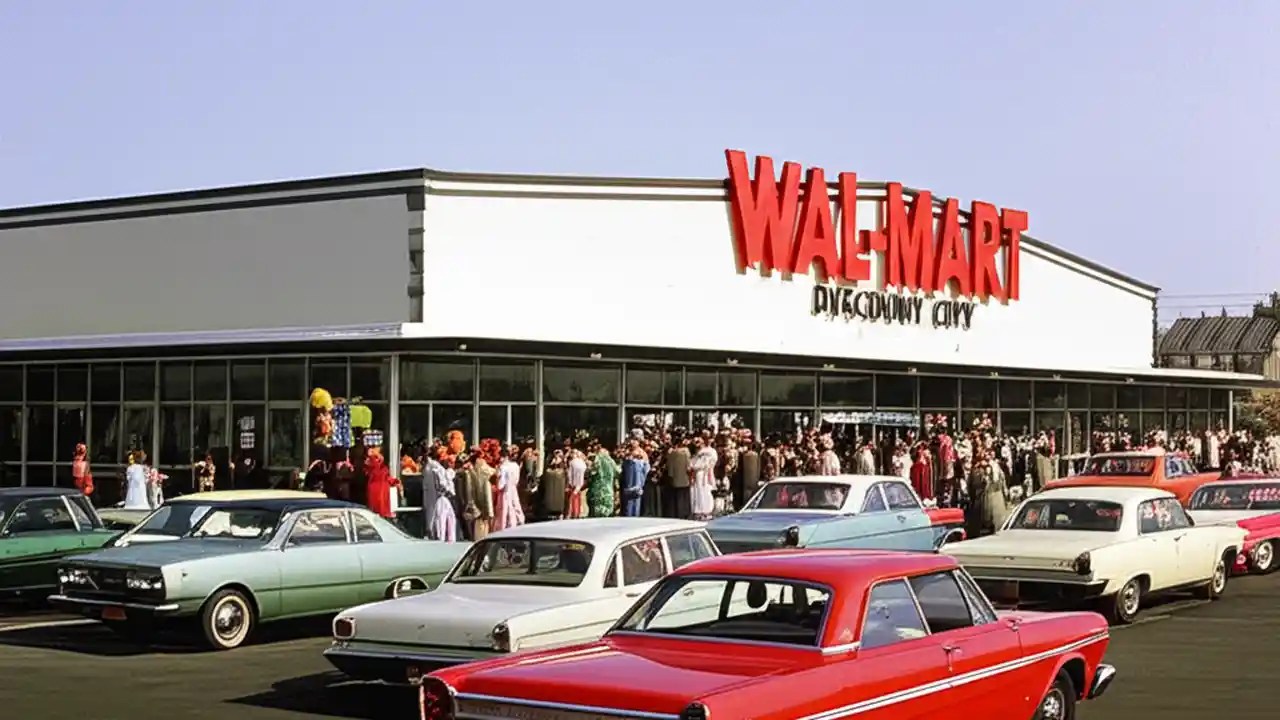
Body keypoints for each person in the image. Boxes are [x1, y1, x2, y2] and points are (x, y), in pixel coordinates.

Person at [428, 447, 458, 542]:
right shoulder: (437, 468)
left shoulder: (439, 468)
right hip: (441, 498)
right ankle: (441, 541)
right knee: (441, 521)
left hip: (445, 498)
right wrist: (448, 491)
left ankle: (451, 540)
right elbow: (441, 484)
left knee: (451, 518)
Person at [493, 444, 526, 531]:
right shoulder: (515, 466)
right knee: (515, 507)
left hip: (505, 492)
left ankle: (504, 529)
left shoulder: (503, 467)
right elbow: (516, 480)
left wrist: (496, 479)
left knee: (504, 511)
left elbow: (500, 485)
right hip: (513, 490)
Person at [363, 447, 400, 520]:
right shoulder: (374, 466)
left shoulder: (380, 467)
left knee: (379, 510)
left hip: (380, 491)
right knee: (378, 509)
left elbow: (387, 477)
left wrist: (395, 482)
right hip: (378, 491)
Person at [689, 436, 718, 520]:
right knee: (697, 492)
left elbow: (711, 462)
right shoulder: (696, 453)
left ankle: (706, 510)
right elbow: (691, 464)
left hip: (705, 473)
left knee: (705, 491)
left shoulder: (711, 451)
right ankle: (698, 510)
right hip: (697, 474)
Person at [587, 445, 620, 518]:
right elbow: (618, 471)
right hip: (608, 487)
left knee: (597, 505)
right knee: (607, 505)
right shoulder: (611, 461)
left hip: (598, 487)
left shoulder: (597, 459)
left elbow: (592, 472)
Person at [620, 442, 649, 518]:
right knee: (634, 508)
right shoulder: (641, 462)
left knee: (630, 508)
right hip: (635, 488)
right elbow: (646, 470)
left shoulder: (627, 462)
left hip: (630, 488)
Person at [538, 449, 567, 520]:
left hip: (560, 483)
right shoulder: (551, 461)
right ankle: (551, 510)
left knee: (559, 496)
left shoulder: (562, 463)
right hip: (552, 482)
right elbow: (548, 468)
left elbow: (564, 469)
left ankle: (560, 511)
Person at [566, 449, 588, 518]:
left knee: (573, 497)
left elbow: (570, 474)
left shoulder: (572, 462)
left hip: (574, 482)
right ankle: (578, 512)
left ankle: (573, 512)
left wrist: (569, 483)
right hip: (581, 482)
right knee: (578, 497)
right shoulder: (582, 462)